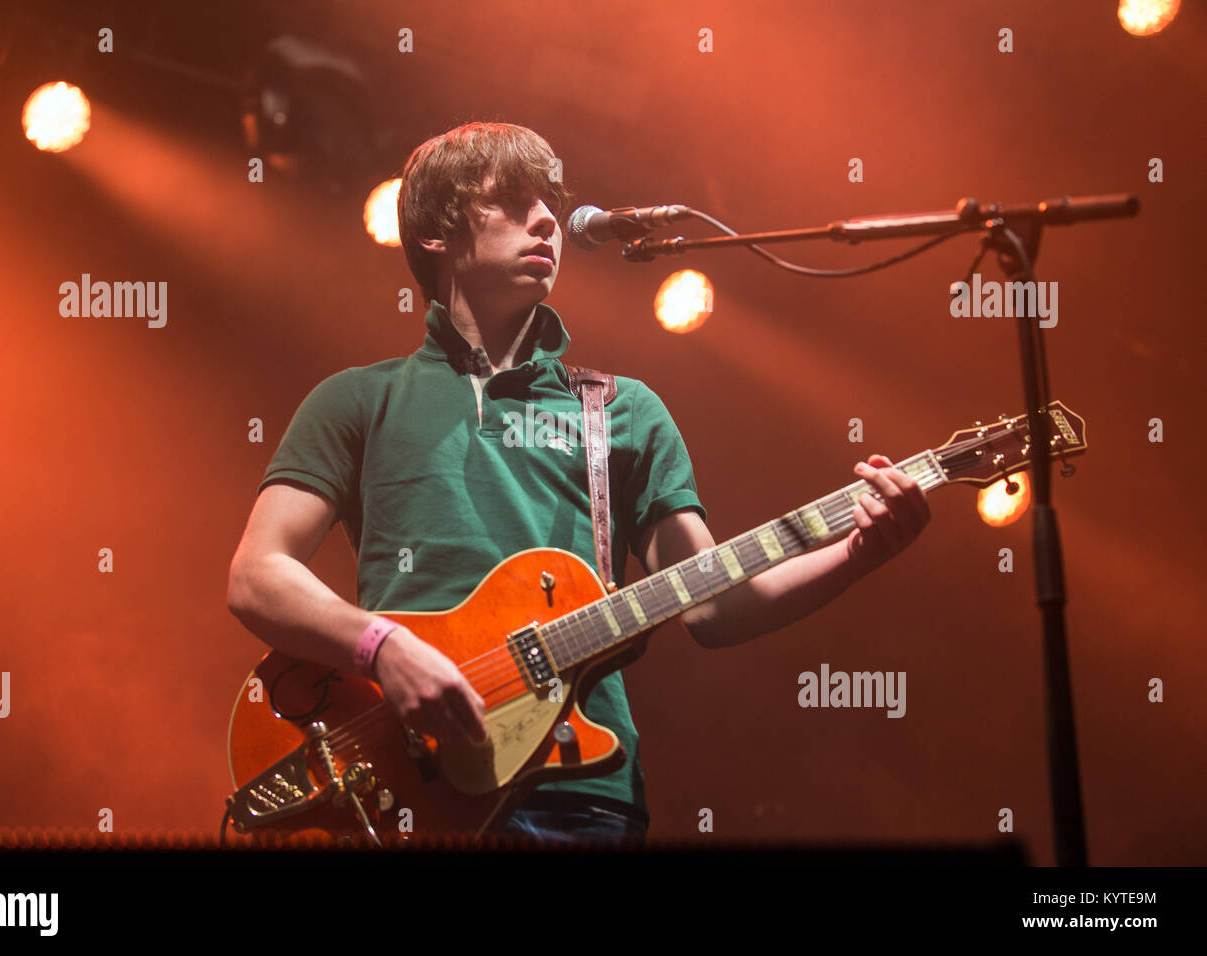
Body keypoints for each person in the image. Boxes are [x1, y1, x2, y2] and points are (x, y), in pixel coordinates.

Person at [226, 121, 930, 849]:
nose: (547, 222)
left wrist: (858, 554)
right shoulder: (356, 401)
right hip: (410, 789)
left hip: (580, 794)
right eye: (512, 201)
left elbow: (715, 607)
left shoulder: (624, 412)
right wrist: (382, 647)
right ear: (435, 233)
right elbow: (257, 574)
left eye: (551, 205)